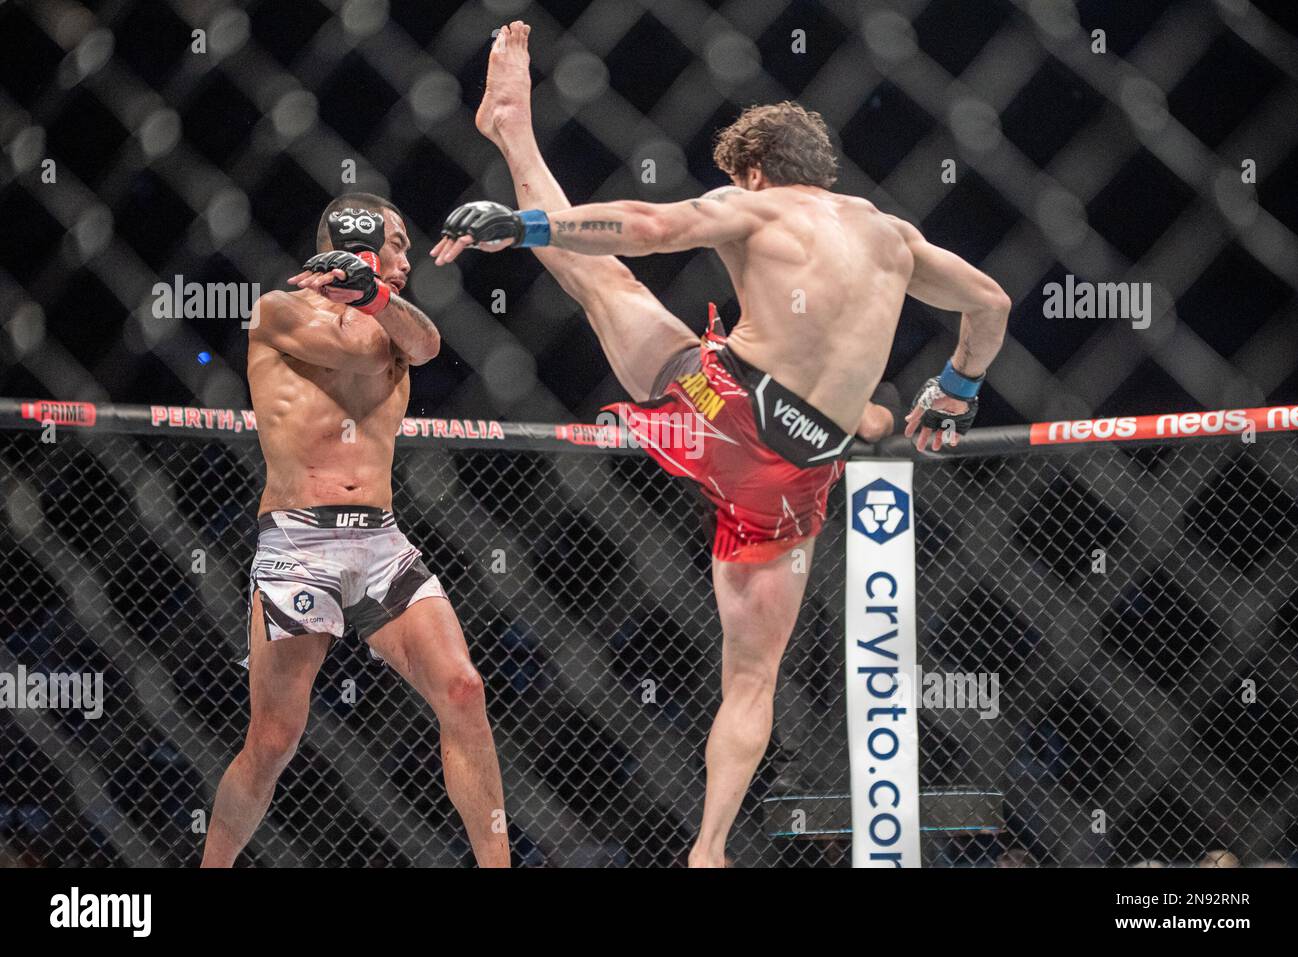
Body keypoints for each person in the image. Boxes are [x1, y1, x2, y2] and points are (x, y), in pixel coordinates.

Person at [436, 22, 1010, 866]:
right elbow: (992, 303)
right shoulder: (895, 237)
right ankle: (709, 849)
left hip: (728, 408)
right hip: (803, 474)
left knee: (604, 278)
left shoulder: (752, 203)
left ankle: (513, 133)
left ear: (752, 170)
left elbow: (646, 225)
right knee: (752, 676)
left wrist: (527, 227)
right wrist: (956, 391)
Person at [200, 194, 509, 867]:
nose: (407, 257)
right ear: (358, 241)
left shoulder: (398, 322)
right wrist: (370, 298)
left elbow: (425, 344)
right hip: (299, 540)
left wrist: (373, 293)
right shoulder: (279, 311)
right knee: (275, 737)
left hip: (380, 539)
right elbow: (366, 354)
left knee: (463, 689)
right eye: (395, 243)